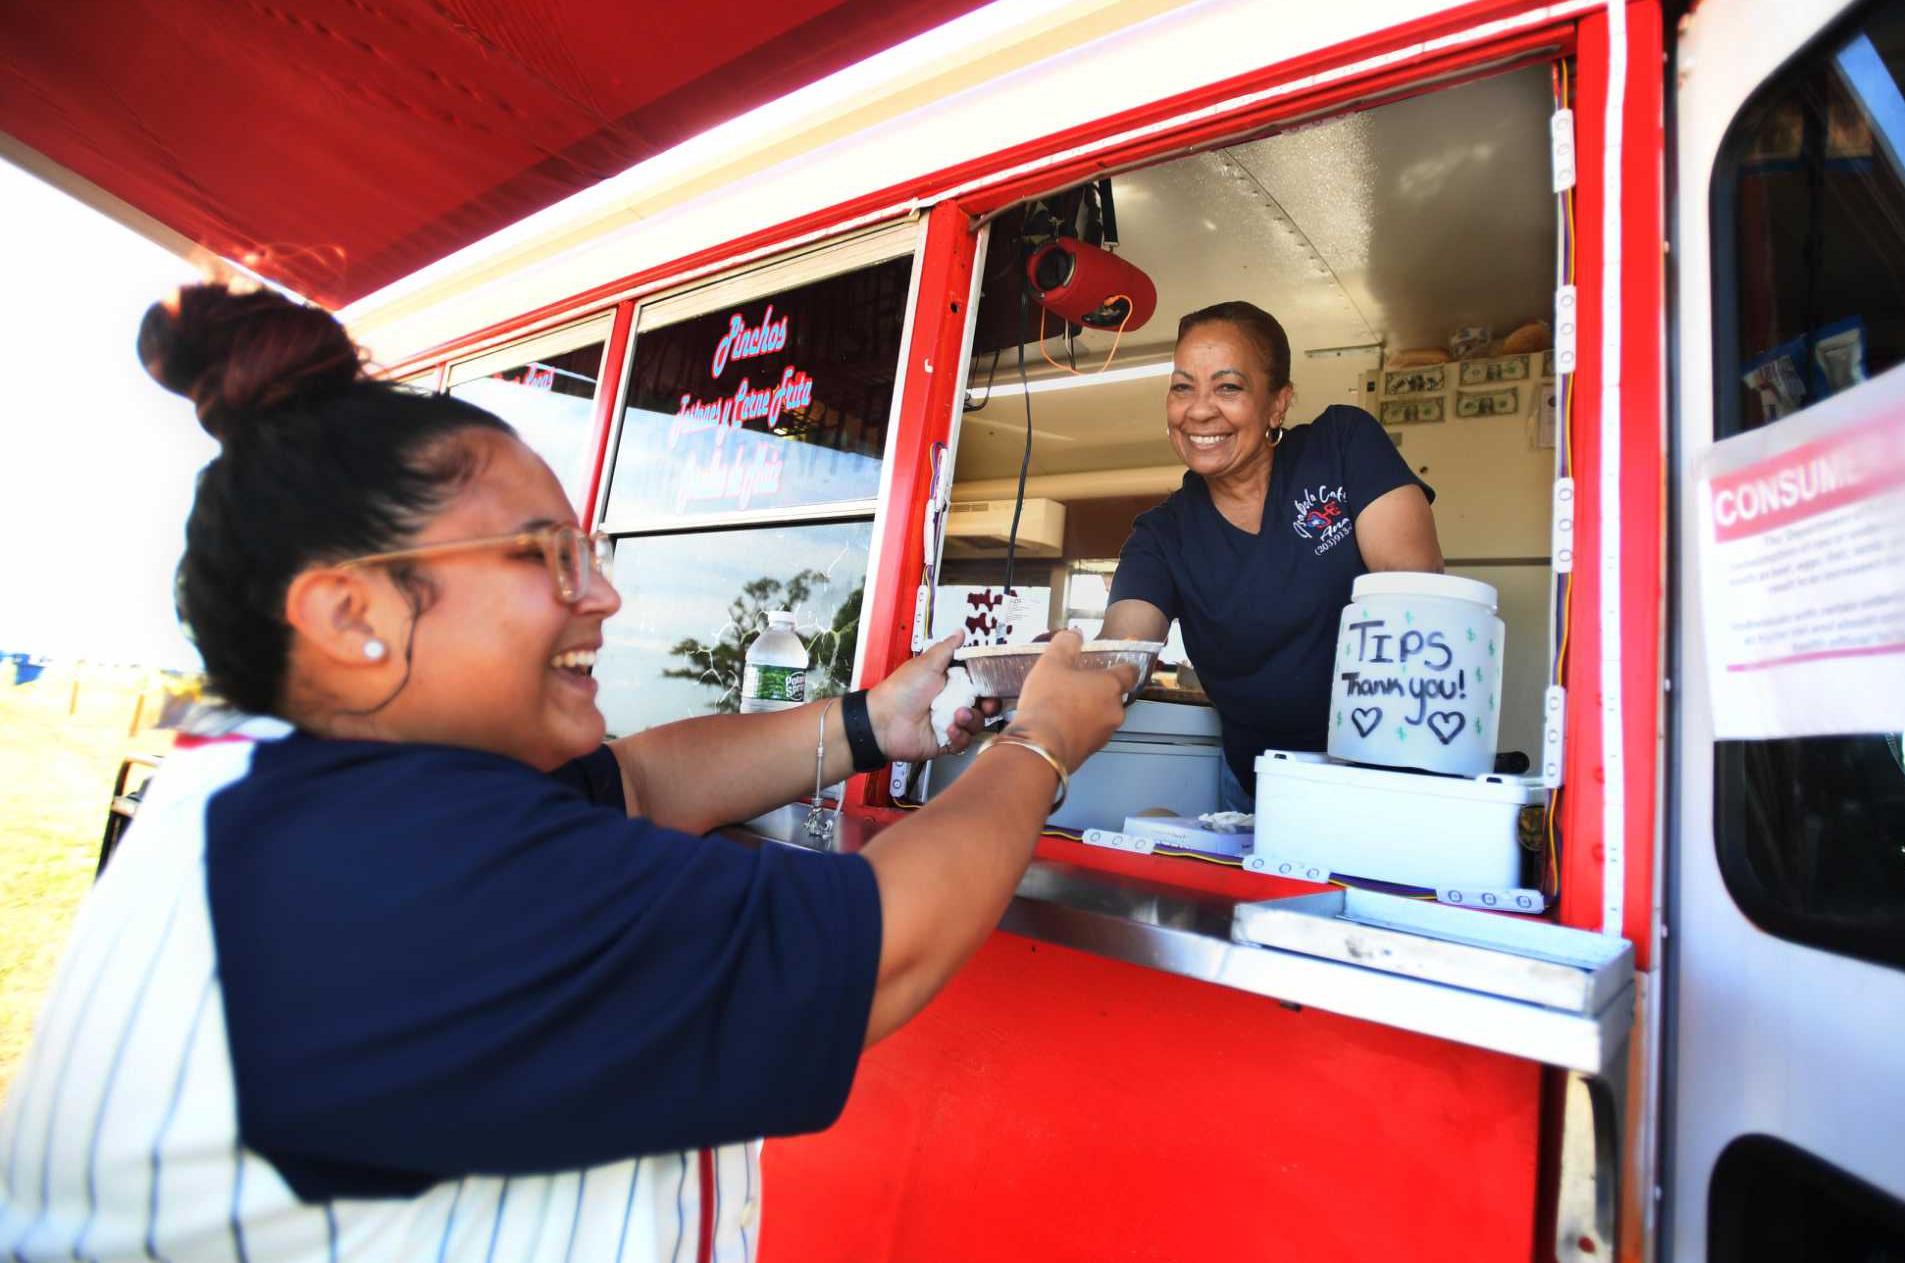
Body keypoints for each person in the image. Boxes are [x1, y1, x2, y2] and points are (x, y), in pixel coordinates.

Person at [0, 284, 1134, 1262]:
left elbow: (642, 780)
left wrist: (873, 723)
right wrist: (1040, 740)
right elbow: (883, 950)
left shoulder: (313, 794)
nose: (604, 594)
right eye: (548, 554)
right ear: (350, 614)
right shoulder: (385, 872)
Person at [1100, 300, 1443, 813]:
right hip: (1260, 790)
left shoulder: (1340, 445)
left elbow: (1414, 594)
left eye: (1228, 387)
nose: (1199, 410)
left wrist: (1384, 783)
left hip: (1389, 772)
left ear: (1277, 404)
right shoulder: (1163, 535)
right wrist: (1071, 673)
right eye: (1182, 387)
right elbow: (1123, 652)